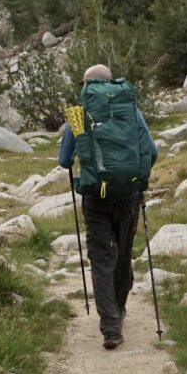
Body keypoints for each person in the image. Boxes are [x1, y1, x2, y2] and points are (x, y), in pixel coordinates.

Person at [59, 64, 157, 350]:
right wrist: (137, 178)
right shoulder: (131, 111)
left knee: (102, 259)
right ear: (111, 83)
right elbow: (151, 151)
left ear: (88, 87)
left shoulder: (79, 114)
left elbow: (65, 160)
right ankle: (120, 309)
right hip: (128, 194)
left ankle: (111, 328)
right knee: (123, 254)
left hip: (95, 196)